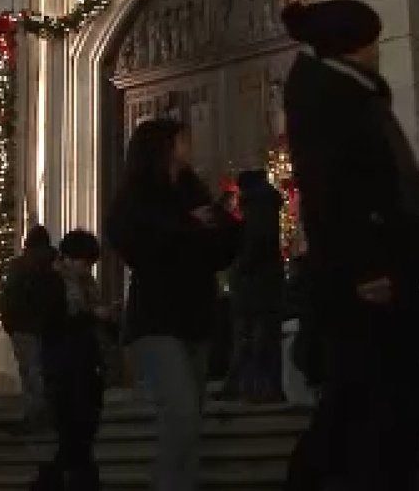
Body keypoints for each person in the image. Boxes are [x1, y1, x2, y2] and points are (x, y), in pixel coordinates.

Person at [278, 0, 419, 490]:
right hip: (366, 278)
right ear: (355, 44)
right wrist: (367, 267)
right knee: (366, 404)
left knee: (374, 402)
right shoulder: (332, 99)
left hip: (385, 268)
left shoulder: (351, 94)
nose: (378, 48)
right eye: (371, 38)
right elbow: (333, 190)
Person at [106, 118, 241, 491]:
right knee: (180, 409)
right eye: (183, 140)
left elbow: (219, 247)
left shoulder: (192, 190)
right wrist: (187, 226)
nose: (190, 147)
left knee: (192, 414)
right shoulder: (136, 196)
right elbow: (132, 241)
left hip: (195, 313)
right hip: (156, 318)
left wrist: (224, 227)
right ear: (163, 147)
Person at [30, 229, 107, 491]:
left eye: (90, 264)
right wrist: (90, 315)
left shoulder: (88, 287)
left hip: (87, 367)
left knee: (80, 438)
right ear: (71, 258)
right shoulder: (52, 281)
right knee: (74, 437)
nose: (87, 269)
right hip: (62, 367)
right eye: (85, 263)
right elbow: (50, 320)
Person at [220, 169, 286, 403]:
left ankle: (250, 386)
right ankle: (262, 386)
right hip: (268, 278)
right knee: (265, 333)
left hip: (254, 280)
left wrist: (241, 267)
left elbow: (256, 242)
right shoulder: (266, 202)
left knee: (251, 334)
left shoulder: (256, 204)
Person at [0, 225, 57, 431]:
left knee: (29, 371)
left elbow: (10, 295)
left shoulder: (20, 266)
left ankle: (35, 415)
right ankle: (44, 413)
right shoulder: (53, 265)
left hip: (23, 325)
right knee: (41, 370)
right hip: (47, 326)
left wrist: (9, 321)